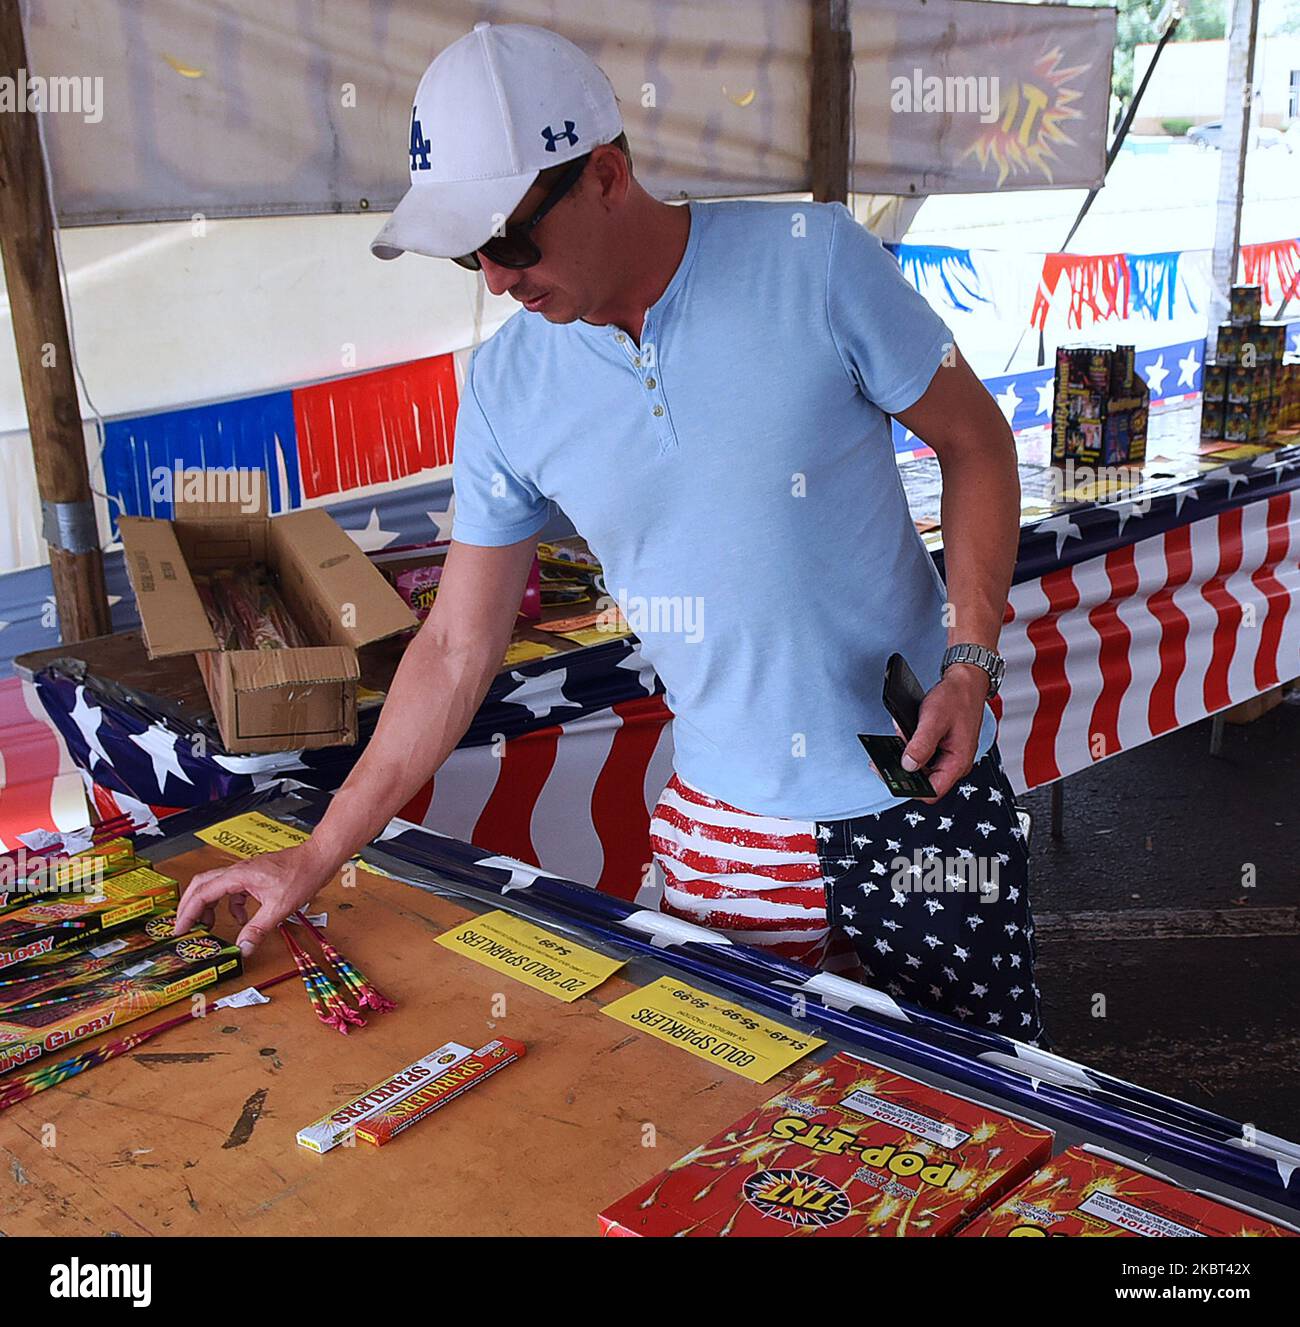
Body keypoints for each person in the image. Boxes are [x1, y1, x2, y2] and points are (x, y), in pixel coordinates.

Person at [176, 21, 1041, 1042]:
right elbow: (454, 647)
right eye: (468, 255)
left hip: (917, 794)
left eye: (506, 239)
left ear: (606, 176)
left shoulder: (816, 261)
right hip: (720, 827)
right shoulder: (506, 384)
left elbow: (976, 441)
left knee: (994, 1119)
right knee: (743, 1148)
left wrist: (970, 656)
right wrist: (313, 854)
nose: (496, 279)